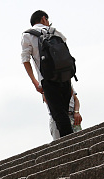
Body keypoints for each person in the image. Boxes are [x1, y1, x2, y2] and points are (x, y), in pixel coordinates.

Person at [22, 10, 74, 139]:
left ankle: (70, 144)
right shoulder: (56, 32)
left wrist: (35, 81)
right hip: (65, 76)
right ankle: (71, 140)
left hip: (48, 79)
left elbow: (25, 59)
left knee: (58, 114)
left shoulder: (27, 35)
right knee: (64, 112)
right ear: (44, 19)